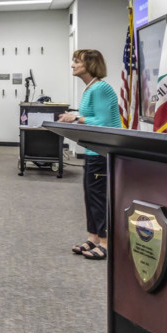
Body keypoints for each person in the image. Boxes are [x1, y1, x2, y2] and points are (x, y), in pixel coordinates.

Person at [58, 49, 120, 261]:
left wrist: (75, 119)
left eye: (77, 61)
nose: (73, 65)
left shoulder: (100, 88)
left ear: (90, 65)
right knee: (90, 195)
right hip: (92, 151)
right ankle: (93, 237)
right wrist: (75, 118)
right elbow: (92, 117)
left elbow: (102, 122)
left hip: (103, 152)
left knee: (99, 197)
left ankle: (105, 243)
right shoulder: (90, 88)